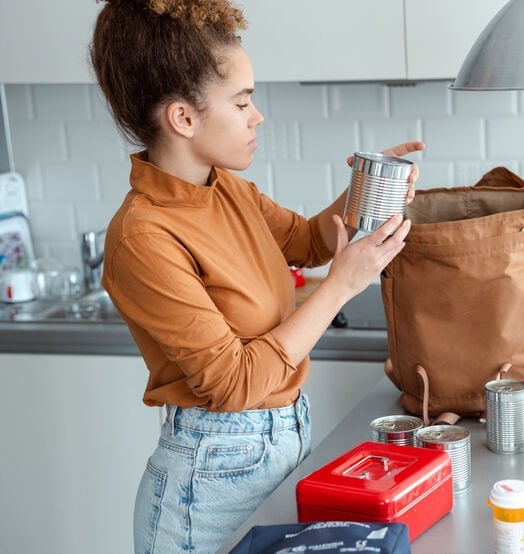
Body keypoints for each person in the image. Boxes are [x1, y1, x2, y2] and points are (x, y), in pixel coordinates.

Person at [88, 1, 424, 552]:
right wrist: (342, 285)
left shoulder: (226, 189)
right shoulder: (143, 236)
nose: (256, 115)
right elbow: (234, 384)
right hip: (206, 488)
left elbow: (308, 242)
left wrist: (371, 186)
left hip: (278, 449)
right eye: (242, 101)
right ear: (184, 118)